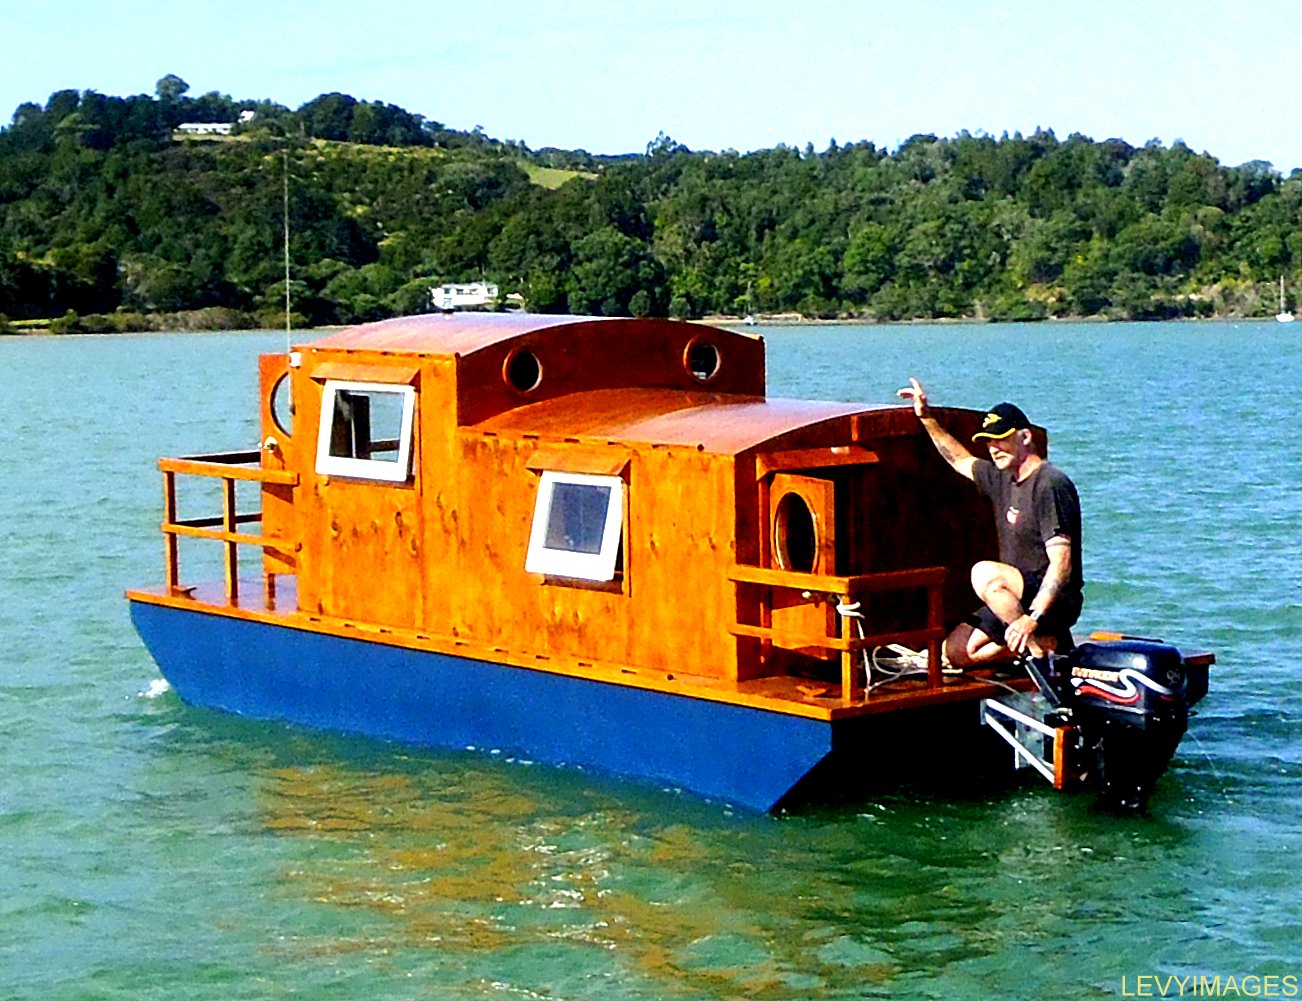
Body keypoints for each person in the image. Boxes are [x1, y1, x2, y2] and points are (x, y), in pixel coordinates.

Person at [896, 377, 1083, 672]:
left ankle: (1035, 643)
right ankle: (1048, 643)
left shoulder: (1050, 484)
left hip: (1053, 600)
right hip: (1012, 600)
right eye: (988, 441)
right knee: (955, 652)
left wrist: (1031, 619)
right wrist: (926, 416)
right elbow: (958, 458)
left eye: (1001, 438)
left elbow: (1061, 563)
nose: (993, 448)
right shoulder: (1000, 478)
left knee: (983, 573)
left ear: (1024, 437)